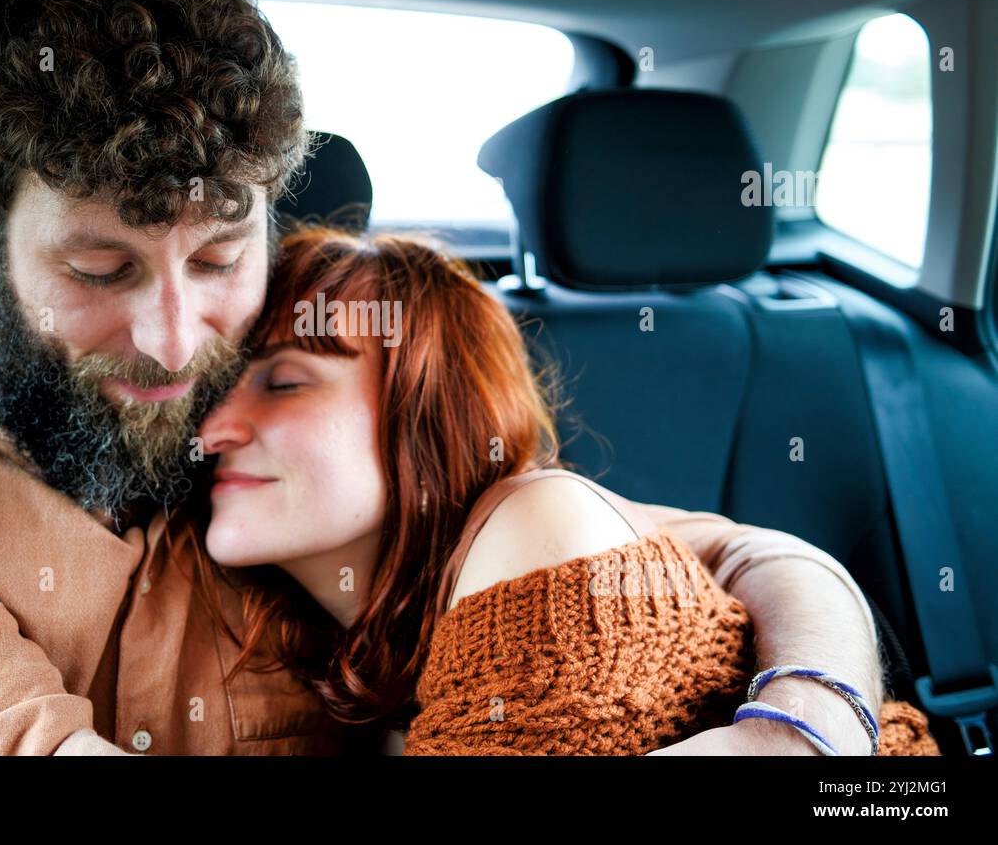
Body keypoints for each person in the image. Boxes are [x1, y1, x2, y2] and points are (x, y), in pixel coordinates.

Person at [0, 0, 900, 755]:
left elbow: (750, 556)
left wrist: (804, 718)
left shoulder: (281, 465)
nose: (178, 343)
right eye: (101, 267)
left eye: (222, 259)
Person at [194, 226, 940, 755]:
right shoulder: (332, 634)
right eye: (218, 385)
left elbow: (751, 549)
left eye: (285, 382)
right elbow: (742, 545)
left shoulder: (535, 524)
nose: (216, 426)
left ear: (429, 414)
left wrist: (806, 722)